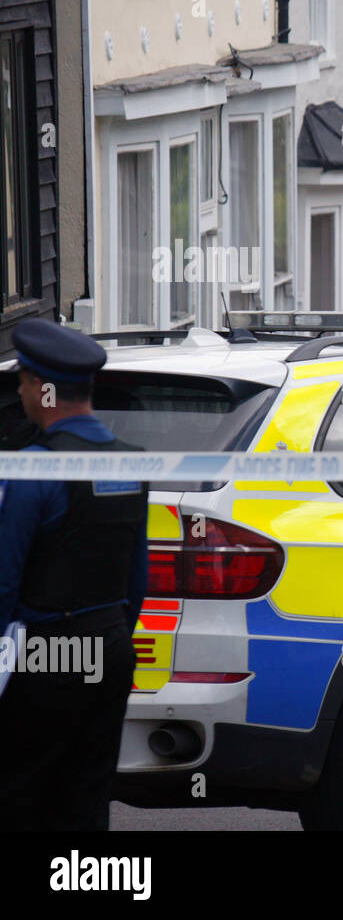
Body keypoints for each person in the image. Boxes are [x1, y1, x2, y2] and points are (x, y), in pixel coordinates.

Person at [0, 319, 148, 831]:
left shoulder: (34, 468)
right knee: (88, 795)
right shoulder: (131, 464)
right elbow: (138, 579)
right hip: (110, 644)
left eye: (21, 383)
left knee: (22, 794)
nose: (19, 395)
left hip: (46, 649)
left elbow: (4, 582)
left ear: (43, 390)